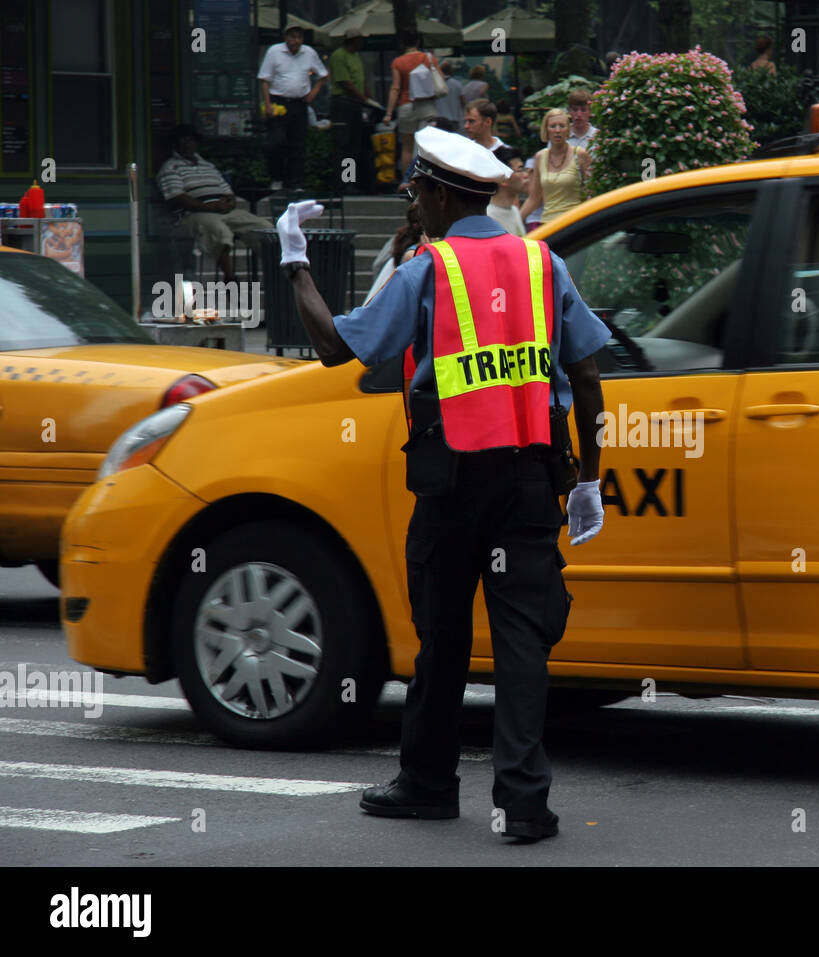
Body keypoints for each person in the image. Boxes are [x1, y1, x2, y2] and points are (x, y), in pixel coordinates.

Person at [275, 126, 609, 843]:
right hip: (530, 480)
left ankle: (427, 784)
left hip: (452, 481)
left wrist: (295, 260)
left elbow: (335, 346)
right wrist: (592, 478)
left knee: (443, 638)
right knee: (523, 641)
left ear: (434, 192)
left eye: (416, 194)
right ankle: (524, 803)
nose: (413, 207)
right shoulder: (543, 262)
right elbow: (584, 373)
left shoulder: (429, 270)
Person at [157, 124, 273, 283]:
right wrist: (208, 207)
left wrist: (228, 203)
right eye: (182, 141)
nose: (187, 144)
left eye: (190, 141)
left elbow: (227, 191)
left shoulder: (208, 166)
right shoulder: (170, 167)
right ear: (176, 144)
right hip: (193, 215)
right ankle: (230, 277)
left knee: (264, 227)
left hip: (222, 210)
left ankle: (276, 274)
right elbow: (176, 197)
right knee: (219, 230)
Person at [258, 25, 328, 191]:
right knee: (277, 142)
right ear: (285, 37)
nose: (296, 41)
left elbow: (323, 75)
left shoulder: (309, 52)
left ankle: (295, 182)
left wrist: (314, 92)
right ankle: (277, 177)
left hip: (299, 103)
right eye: (292, 37)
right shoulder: (274, 51)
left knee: (298, 145)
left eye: (299, 37)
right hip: (278, 102)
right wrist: (268, 104)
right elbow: (264, 80)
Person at [383, 30, 441, 187]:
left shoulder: (398, 62)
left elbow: (395, 88)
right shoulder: (428, 59)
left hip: (406, 105)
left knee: (407, 147)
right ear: (418, 41)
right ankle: (423, 180)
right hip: (427, 105)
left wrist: (389, 113)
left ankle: (406, 180)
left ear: (403, 43)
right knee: (426, 145)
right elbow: (440, 80)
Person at [521, 108, 592, 226]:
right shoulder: (540, 157)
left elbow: (592, 192)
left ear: (568, 130)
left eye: (562, 126)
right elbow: (534, 198)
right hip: (548, 224)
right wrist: (514, 222)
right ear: (546, 130)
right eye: (553, 126)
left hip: (574, 223)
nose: (557, 130)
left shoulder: (580, 154)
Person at [330, 28, 377, 194]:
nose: (362, 43)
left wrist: (371, 101)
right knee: (345, 145)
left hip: (356, 104)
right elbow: (345, 82)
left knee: (356, 145)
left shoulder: (356, 56)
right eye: (360, 40)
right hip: (344, 103)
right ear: (352, 40)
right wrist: (364, 99)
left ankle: (356, 181)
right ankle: (344, 183)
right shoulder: (339, 56)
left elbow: (360, 82)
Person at [487, 147, 527, 237]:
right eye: (520, 170)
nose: (525, 175)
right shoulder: (489, 217)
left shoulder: (514, 211)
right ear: (503, 179)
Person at [435, 60, 465, 128]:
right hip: (453, 119)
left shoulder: (436, 85)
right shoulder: (457, 84)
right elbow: (463, 102)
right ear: (450, 71)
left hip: (439, 119)